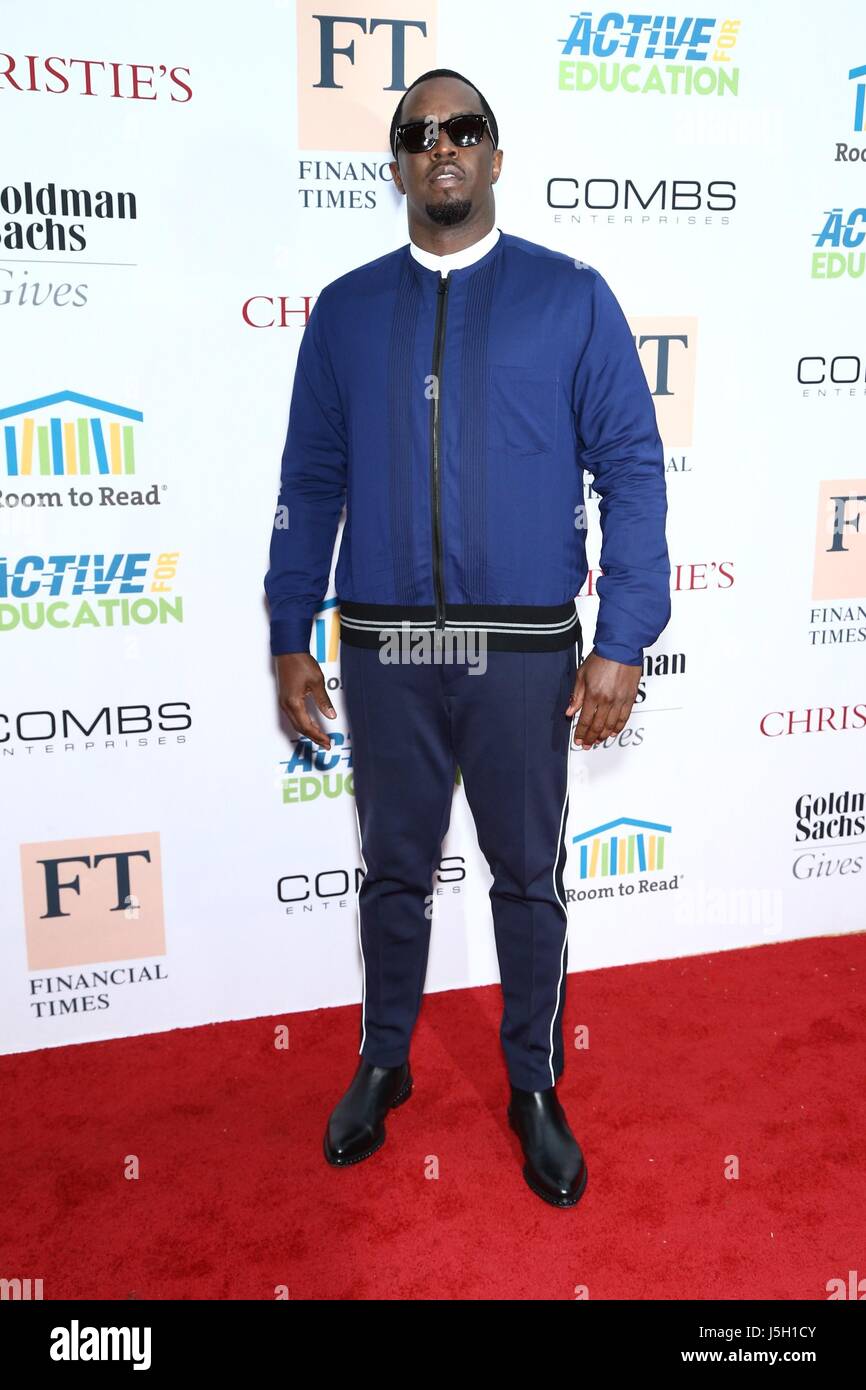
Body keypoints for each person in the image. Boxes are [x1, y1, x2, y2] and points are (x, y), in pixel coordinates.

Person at [264, 67, 671, 1208]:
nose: (441, 145)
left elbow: (631, 471)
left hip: (524, 651)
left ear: (495, 155)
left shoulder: (569, 296)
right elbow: (311, 478)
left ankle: (531, 1083)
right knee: (393, 871)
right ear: (395, 163)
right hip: (385, 651)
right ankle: (384, 1059)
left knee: (525, 879)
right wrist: (290, 625)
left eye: (464, 129)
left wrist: (623, 635)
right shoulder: (345, 311)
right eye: (417, 132)